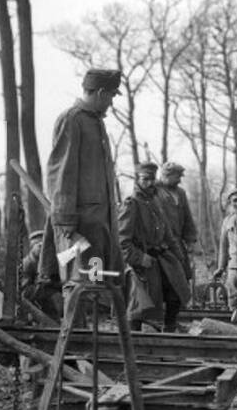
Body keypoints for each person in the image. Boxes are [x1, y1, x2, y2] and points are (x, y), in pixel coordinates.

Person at [42, 68, 125, 322]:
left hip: (98, 227)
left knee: (95, 283)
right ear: (100, 93)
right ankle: (73, 345)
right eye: (111, 95)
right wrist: (66, 223)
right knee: (76, 283)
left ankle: (90, 345)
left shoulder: (95, 122)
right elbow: (61, 172)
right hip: (76, 228)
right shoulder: (72, 120)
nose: (112, 101)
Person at [119, 162, 188, 332]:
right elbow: (121, 242)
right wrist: (140, 258)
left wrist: (180, 258)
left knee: (175, 294)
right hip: (140, 263)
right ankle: (133, 341)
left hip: (161, 257)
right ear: (138, 180)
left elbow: (168, 234)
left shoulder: (156, 201)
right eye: (145, 179)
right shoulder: (131, 204)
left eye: (152, 179)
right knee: (139, 306)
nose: (149, 183)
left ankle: (169, 335)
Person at [157, 160, 199, 305]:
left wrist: (190, 240)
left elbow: (187, 217)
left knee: (180, 279)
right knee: (163, 279)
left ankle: (175, 315)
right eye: (177, 176)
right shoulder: (155, 191)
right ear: (166, 175)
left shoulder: (180, 193)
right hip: (160, 244)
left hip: (177, 243)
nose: (180, 180)